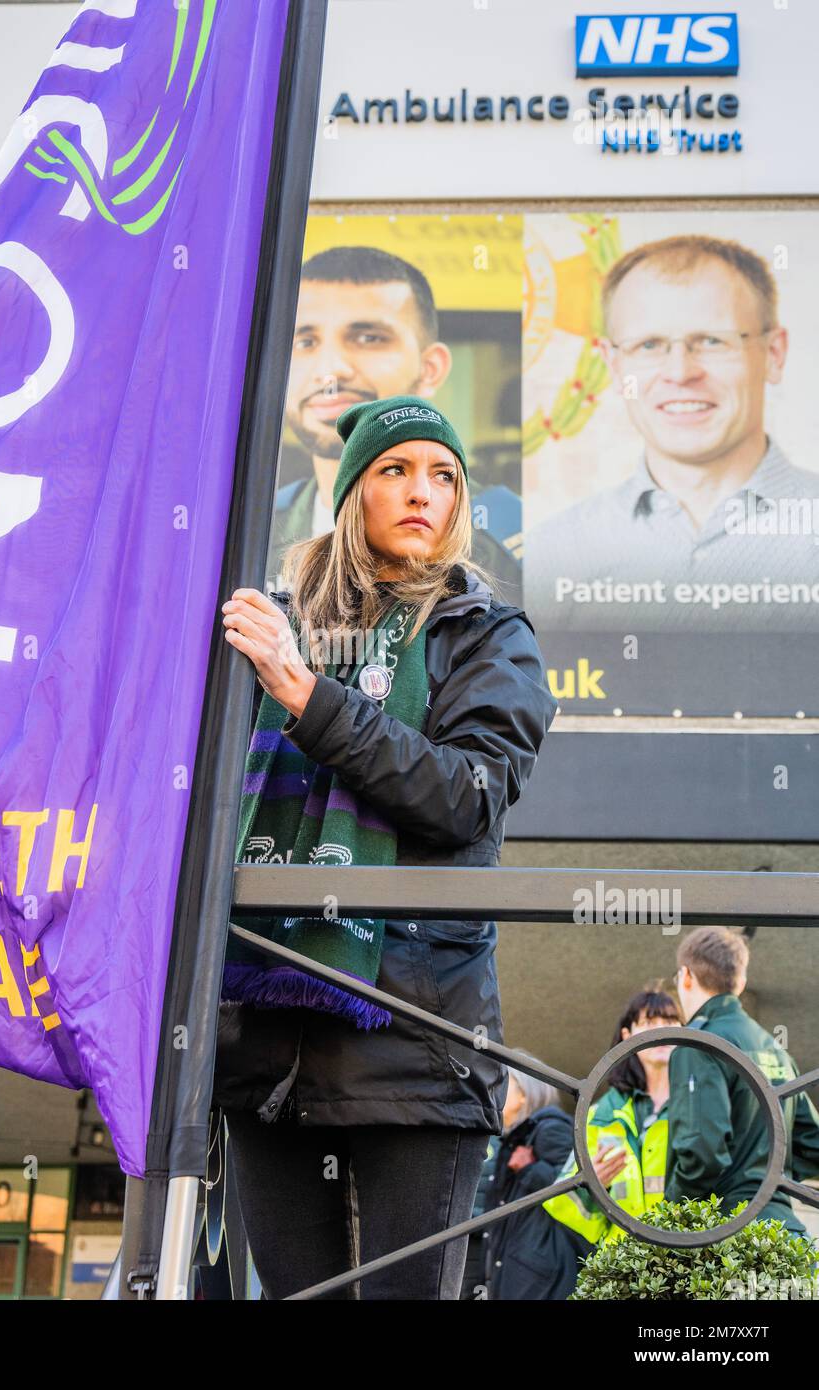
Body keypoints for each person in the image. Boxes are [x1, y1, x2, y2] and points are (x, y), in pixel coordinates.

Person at [211, 394, 557, 1300]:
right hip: (267, 1039)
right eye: (395, 470)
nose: (422, 493)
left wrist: (307, 696)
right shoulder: (274, 624)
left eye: (443, 476)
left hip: (415, 1035)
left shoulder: (486, 632)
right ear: (352, 493)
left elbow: (462, 799)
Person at [525, 234, 819, 632]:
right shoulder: (552, 553)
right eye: (649, 345)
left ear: (773, 354)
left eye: (712, 341)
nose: (680, 372)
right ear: (614, 366)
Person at [269, 245, 522, 593]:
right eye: (305, 341)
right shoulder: (259, 526)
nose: (330, 371)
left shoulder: (503, 540)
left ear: (430, 369)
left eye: (369, 338)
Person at [667, 926, 819, 1230]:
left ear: (685, 975)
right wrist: (766, 1172)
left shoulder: (698, 1045)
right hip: (784, 1239)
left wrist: (671, 1217)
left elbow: (702, 1151)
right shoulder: (776, 1050)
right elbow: (813, 1144)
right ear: (741, 982)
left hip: (726, 1239)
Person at [543, 990, 682, 1245]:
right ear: (627, 1036)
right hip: (623, 1264)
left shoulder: (700, 1107)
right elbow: (560, 1201)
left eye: (671, 1021)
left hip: (692, 1262)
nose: (661, 1031)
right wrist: (590, 1185)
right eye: (649, 1023)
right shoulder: (600, 1115)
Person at [461, 1058, 591, 1301]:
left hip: (539, 1273)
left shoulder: (551, 1127)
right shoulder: (516, 1138)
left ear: (526, 1094)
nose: (495, 1095)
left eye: (503, 1087)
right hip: (517, 1271)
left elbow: (574, 1188)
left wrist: (529, 1167)